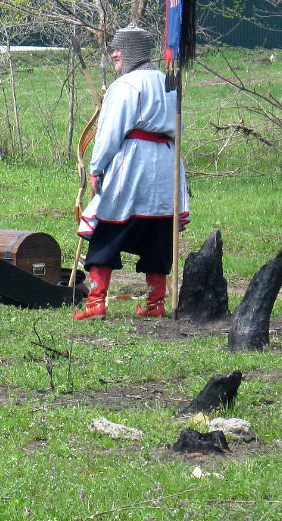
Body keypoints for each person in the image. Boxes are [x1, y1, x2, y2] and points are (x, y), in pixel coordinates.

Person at [74, 25, 190, 320]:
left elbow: (110, 131)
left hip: (133, 164)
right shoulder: (169, 81)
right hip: (167, 164)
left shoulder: (125, 85)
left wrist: (97, 168)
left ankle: (96, 302)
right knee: (157, 230)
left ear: (132, 52)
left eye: (118, 49)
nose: (114, 53)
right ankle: (155, 304)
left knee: (106, 227)